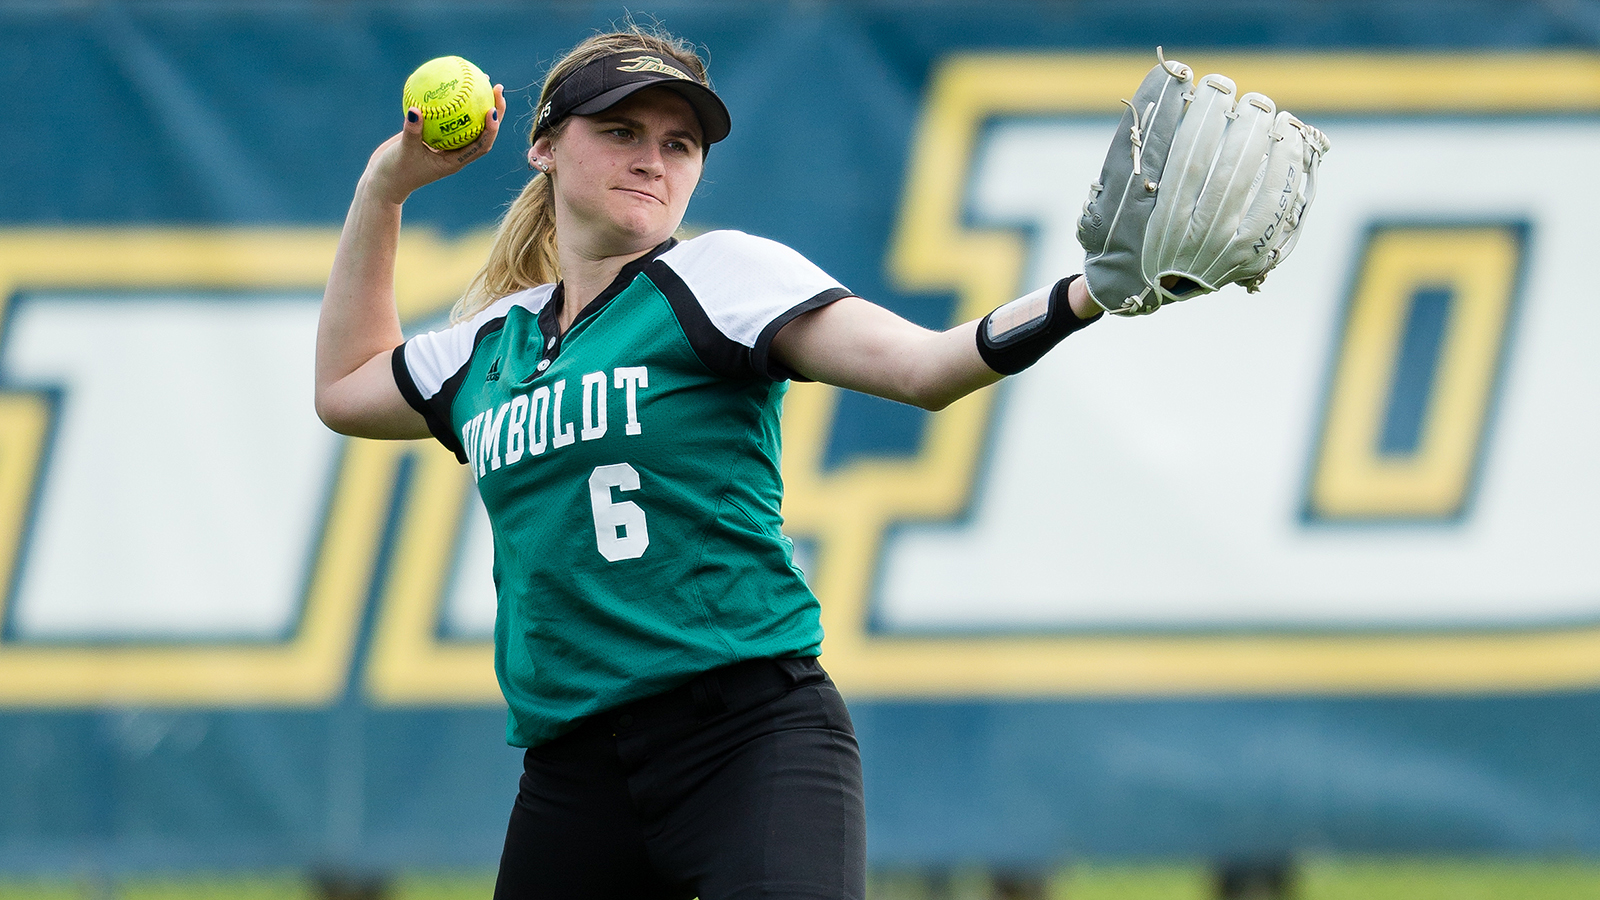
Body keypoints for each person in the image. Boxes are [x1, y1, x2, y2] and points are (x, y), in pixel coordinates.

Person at [314, 24, 1101, 900]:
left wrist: (1083, 293)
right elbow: (345, 387)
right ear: (542, 145)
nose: (654, 160)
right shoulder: (493, 345)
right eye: (620, 131)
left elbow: (924, 368)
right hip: (573, 774)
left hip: (746, 742)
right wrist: (385, 187)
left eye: (679, 144)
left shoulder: (718, 278)